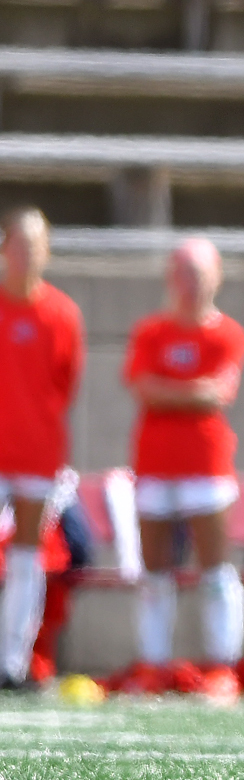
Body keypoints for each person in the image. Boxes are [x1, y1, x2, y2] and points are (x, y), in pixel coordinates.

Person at [122, 238, 244, 702]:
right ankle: (153, 666)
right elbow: (143, 386)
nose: (191, 283)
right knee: (154, 572)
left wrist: (170, 390)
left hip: (207, 464)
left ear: (216, 277)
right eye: (183, 272)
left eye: (199, 273)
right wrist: (191, 392)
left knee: (215, 571)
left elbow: (218, 392)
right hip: (156, 463)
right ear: (169, 278)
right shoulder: (150, 331)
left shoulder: (227, 333)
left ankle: (221, 667)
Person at [0, 208, 82, 692]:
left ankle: (11, 661)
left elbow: (64, 383)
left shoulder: (62, 314)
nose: (25, 254)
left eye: (35, 244)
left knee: (28, 557)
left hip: (36, 452)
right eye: (17, 243)